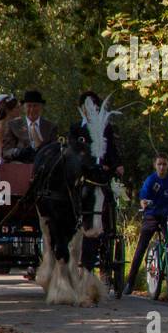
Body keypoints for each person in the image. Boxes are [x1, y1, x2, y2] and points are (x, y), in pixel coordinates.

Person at [123, 153, 168, 296]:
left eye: (164, 164)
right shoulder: (151, 180)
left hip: (167, 216)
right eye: (159, 164)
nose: (162, 167)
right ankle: (130, 282)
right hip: (151, 216)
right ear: (155, 165)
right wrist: (143, 202)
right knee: (141, 248)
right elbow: (144, 194)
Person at [69, 91, 124, 270]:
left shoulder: (105, 128)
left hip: (100, 177)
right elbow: (72, 152)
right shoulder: (76, 129)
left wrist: (117, 165)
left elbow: (112, 151)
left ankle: (103, 232)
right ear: (82, 109)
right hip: (82, 178)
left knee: (106, 199)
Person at [1, 90, 57, 163]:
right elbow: (6, 151)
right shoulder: (13, 125)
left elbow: (54, 151)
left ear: (41, 107)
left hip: (43, 167)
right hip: (20, 166)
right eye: (29, 106)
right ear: (24, 107)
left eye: (35, 106)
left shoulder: (50, 127)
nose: (32, 109)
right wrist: (18, 152)